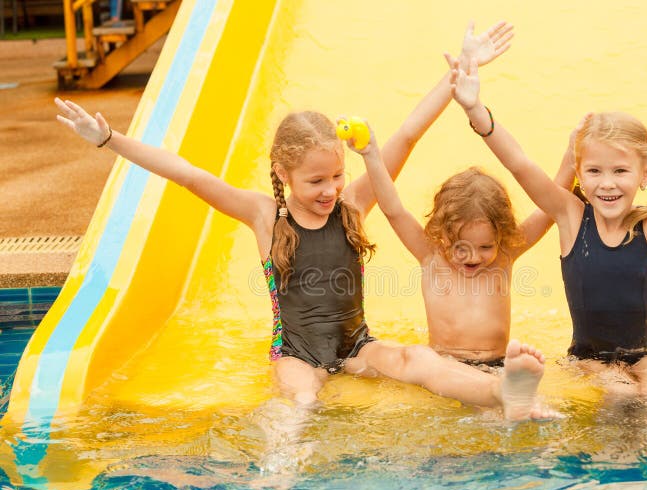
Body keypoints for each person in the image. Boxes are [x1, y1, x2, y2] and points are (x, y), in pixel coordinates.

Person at [54, 22, 554, 420]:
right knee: (301, 400)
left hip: (355, 345)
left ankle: (503, 393)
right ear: (283, 173)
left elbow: (406, 135)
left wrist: (461, 74)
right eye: (316, 181)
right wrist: (108, 140)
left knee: (417, 361)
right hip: (294, 349)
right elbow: (187, 175)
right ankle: (283, 467)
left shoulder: (353, 204)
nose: (330, 190)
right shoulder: (263, 214)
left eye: (337, 175)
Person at [447, 55, 647, 397]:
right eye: (594, 171)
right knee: (621, 392)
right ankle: (610, 453)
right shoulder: (571, 218)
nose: (607, 184)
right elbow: (519, 164)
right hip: (589, 358)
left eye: (620, 171)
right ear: (578, 170)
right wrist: (476, 112)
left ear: (645, 173)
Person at [345, 114, 577, 371]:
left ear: (501, 236)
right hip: (445, 367)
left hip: (496, 366)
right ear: (441, 232)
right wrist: (372, 156)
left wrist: (571, 159)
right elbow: (393, 208)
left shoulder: (504, 254)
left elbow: (549, 210)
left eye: (485, 247)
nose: (473, 256)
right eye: (460, 247)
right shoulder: (430, 256)